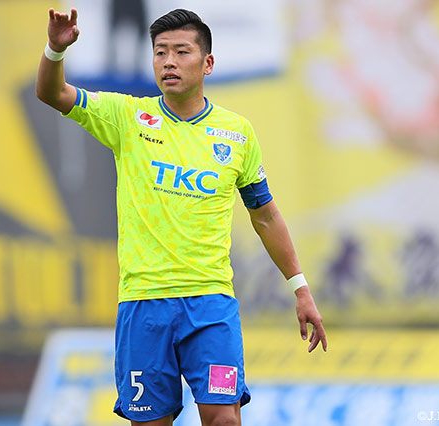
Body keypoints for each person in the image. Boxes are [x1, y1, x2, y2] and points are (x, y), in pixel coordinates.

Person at [36, 7, 327, 425]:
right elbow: (53, 93)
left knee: (224, 419)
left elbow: (265, 216)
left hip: (210, 305)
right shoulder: (128, 117)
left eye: (181, 51)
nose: (168, 61)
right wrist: (55, 49)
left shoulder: (236, 133)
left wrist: (300, 288)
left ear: (207, 63)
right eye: (160, 52)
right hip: (143, 305)